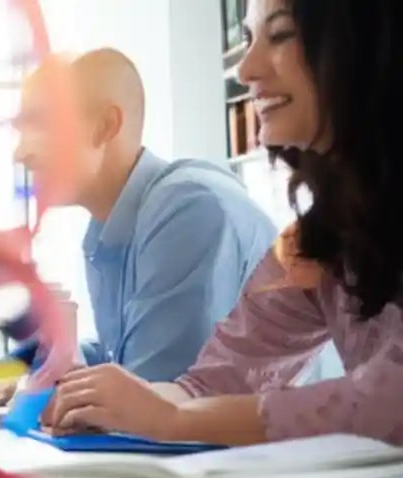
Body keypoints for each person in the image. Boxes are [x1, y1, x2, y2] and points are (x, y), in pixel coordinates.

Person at [43, 0, 403, 447]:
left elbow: (390, 400)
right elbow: (216, 380)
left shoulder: (188, 205)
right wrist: (118, 403)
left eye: (281, 35)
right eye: (249, 39)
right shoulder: (320, 238)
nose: (246, 69)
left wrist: (174, 419)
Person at [14, 48, 276, 382]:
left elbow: (155, 398)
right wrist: (60, 354)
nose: (20, 153)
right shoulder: (107, 229)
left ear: (106, 126)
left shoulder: (189, 210)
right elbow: (130, 357)